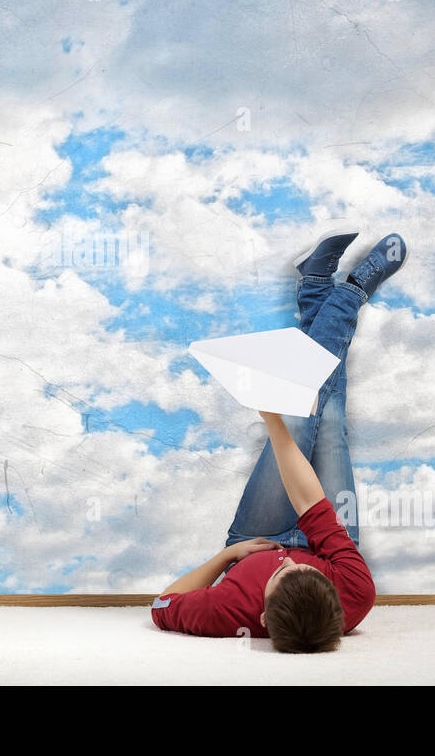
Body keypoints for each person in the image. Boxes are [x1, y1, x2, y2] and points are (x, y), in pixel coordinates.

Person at [150, 231, 407, 652]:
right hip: (331, 539)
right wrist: (272, 417)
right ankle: (331, 291)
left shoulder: (227, 612)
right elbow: (311, 505)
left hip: (253, 535)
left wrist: (227, 560)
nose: (287, 559)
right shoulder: (355, 593)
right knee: (329, 418)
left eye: (280, 574)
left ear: (263, 617)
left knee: (303, 419)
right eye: (306, 570)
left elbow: (162, 605)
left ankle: (340, 290)